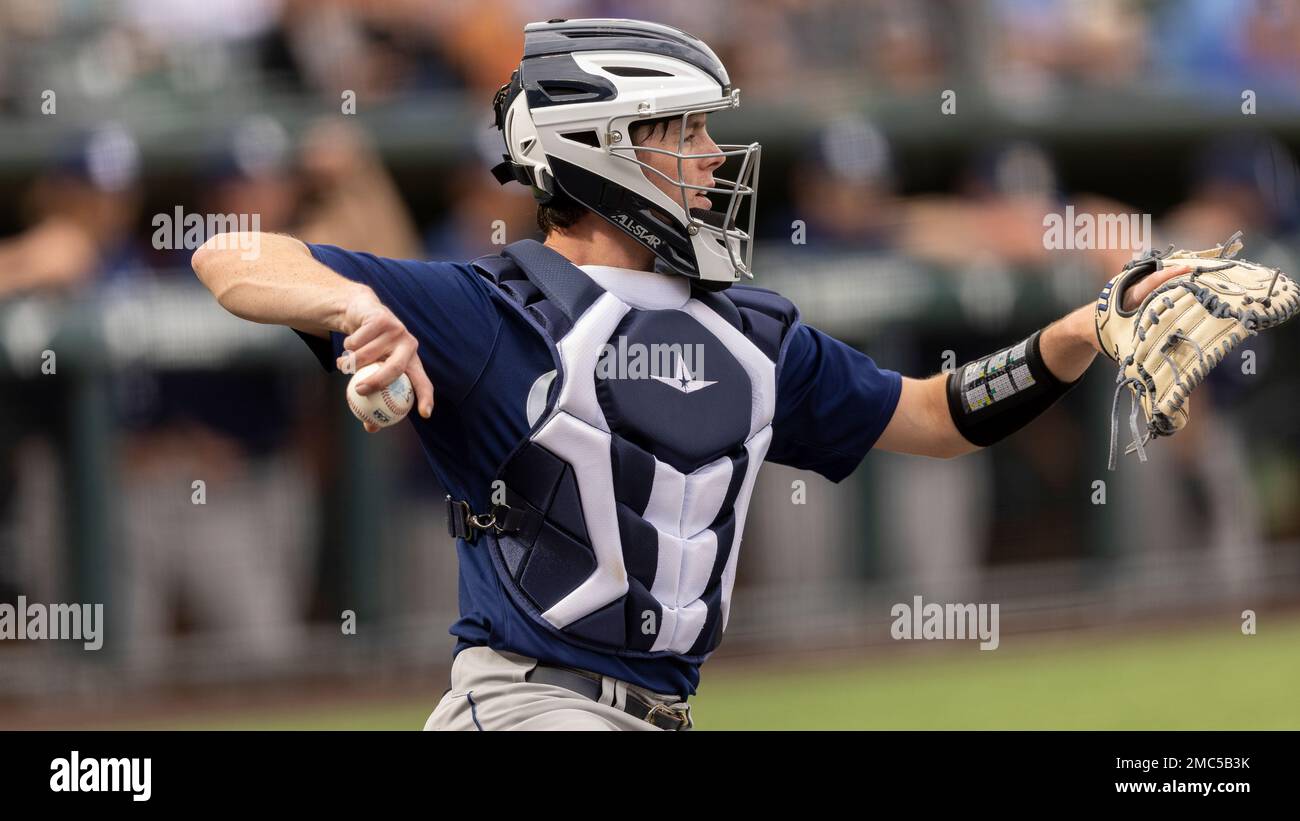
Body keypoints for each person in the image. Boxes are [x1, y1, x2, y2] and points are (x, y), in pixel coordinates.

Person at [191, 18, 1193, 731]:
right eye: (684, 132)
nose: (715, 158)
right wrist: (354, 306)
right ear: (599, 150)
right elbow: (232, 257)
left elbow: (934, 416)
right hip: (530, 704)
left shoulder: (751, 332)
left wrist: (1086, 330)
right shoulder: (490, 309)